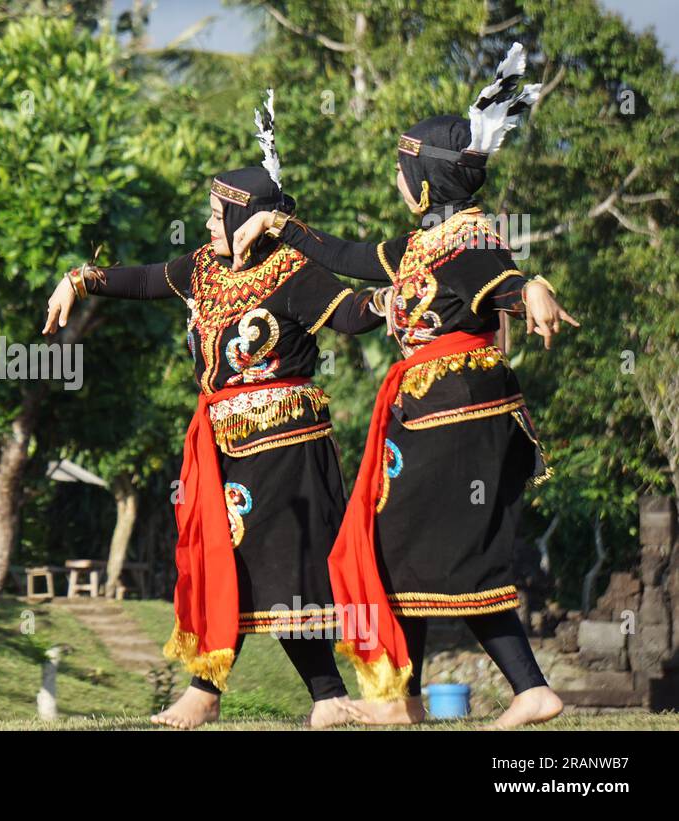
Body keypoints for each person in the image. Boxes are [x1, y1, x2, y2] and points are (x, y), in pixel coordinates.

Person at [230, 44, 577, 728]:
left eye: (400, 170)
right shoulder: (420, 247)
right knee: (395, 552)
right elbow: (350, 257)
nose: (396, 180)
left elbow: (505, 279)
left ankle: (515, 690)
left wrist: (533, 289)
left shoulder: (470, 240)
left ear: (424, 179)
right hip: (426, 417)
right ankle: (405, 700)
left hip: (459, 417)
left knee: (415, 549)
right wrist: (282, 225)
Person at [44, 92, 388, 729]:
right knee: (219, 564)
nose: (207, 226)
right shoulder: (203, 269)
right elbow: (146, 279)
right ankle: (219, 692)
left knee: (284, 571)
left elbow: (347, 315)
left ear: (250, 219)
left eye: (216, 215)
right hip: (223, 449)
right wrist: (80, 278)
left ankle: (320, 697)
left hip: (288, 448)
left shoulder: (293, 268)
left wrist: (392, 303)